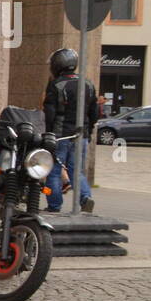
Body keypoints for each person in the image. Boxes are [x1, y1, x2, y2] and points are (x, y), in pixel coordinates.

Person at [43, 47, 98, 213]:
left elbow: (50, 113)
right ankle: (85, 197)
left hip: (60, 136)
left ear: (57, 65)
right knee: (76, 171)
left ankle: (54, 205)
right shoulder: (87, 84)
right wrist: (89, 128)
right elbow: (95, 112)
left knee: (53, 171)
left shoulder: (56, 85)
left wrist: (48, 134)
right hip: (81, 135)